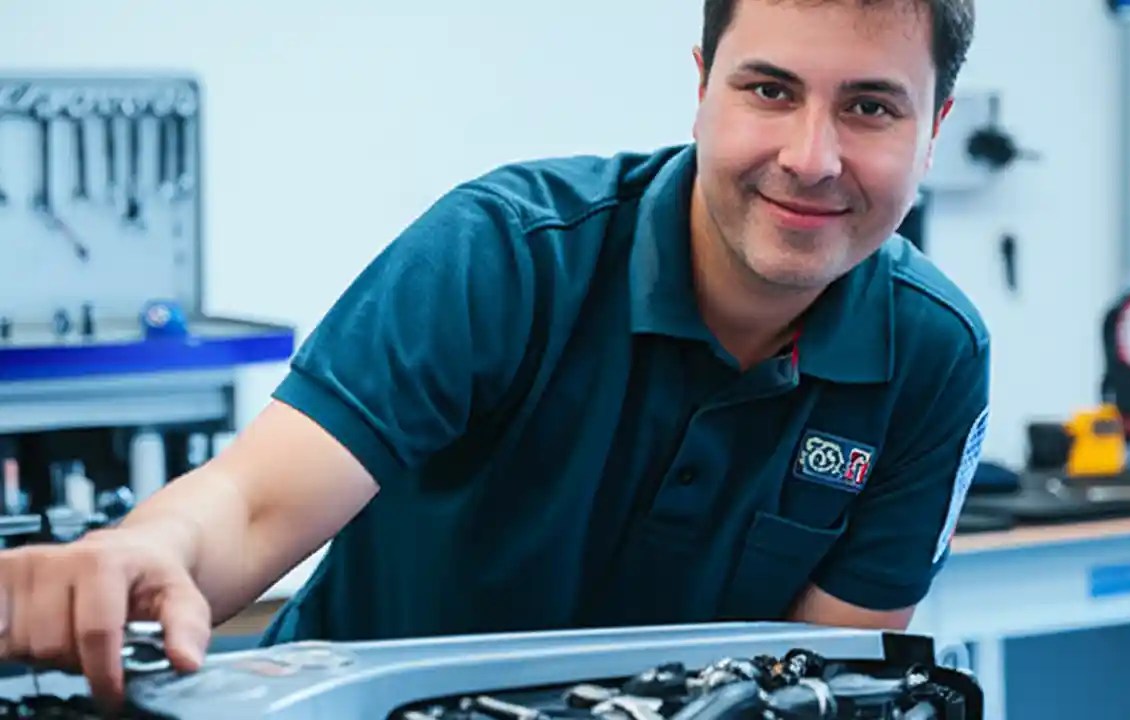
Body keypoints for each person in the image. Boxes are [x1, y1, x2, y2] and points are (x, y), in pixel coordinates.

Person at [0, 0, 985, 711]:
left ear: (933, 126)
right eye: (768, 89)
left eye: (868, 107)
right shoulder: (500, 257)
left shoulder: (933, 356)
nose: (809, 156)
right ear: (700, 89)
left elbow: (821, 680)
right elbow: (255, 503)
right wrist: (147, 550)